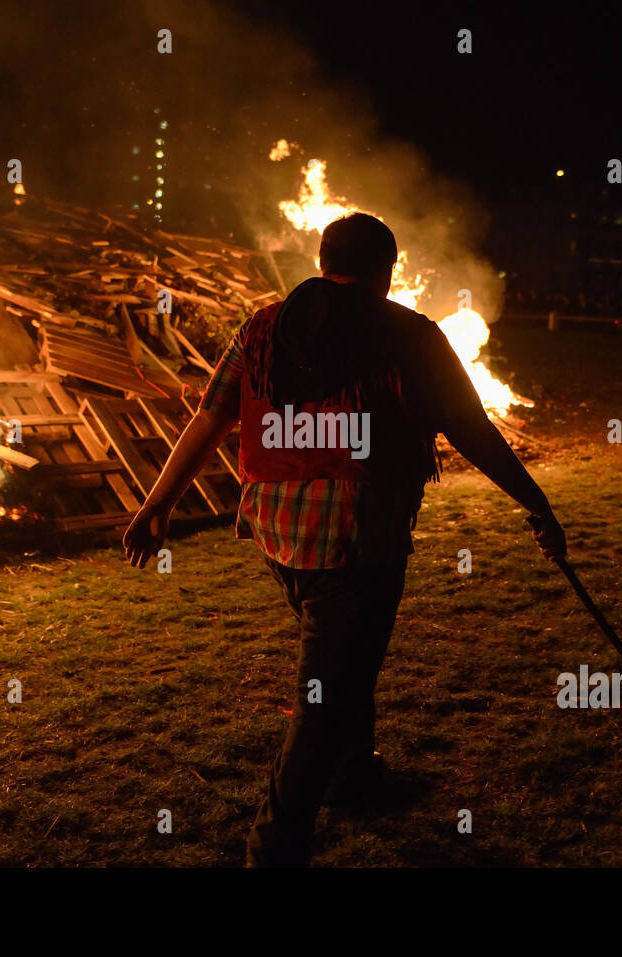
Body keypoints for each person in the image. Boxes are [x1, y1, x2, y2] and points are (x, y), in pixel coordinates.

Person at [123, 213, 567, 866]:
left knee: (345, 664)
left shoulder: (264, 326)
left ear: (321, 257)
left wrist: (154, 505)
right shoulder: (409, 336)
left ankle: (355, 775)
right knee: (323, 701)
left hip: (276, 534)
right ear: (388, 269)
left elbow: (211, 417)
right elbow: (472, 428)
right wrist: (537, 503)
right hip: (360, 542)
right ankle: (272, 849)